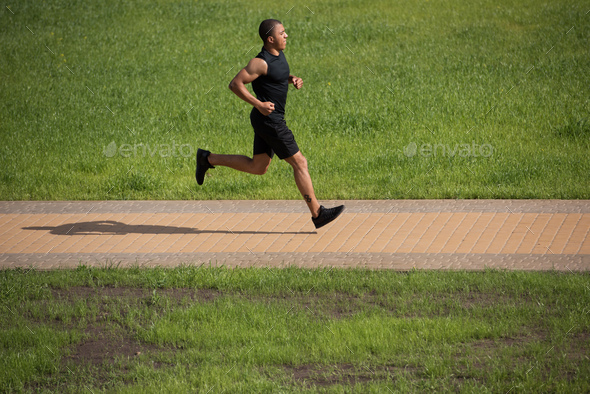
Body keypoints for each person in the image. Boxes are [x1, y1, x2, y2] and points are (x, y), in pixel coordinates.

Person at [196, 19, 344, 229]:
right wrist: (259, 104)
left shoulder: (278, 55)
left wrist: (291, 78)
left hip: (268, 120)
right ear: (270, 39)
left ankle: (207, 158)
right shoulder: (260, 62)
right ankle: (318, 214)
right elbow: (235, 84)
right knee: (300, 163)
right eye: (282, 33)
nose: (286, 36)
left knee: (258, 167)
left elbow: (275, 76)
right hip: (270, 121)